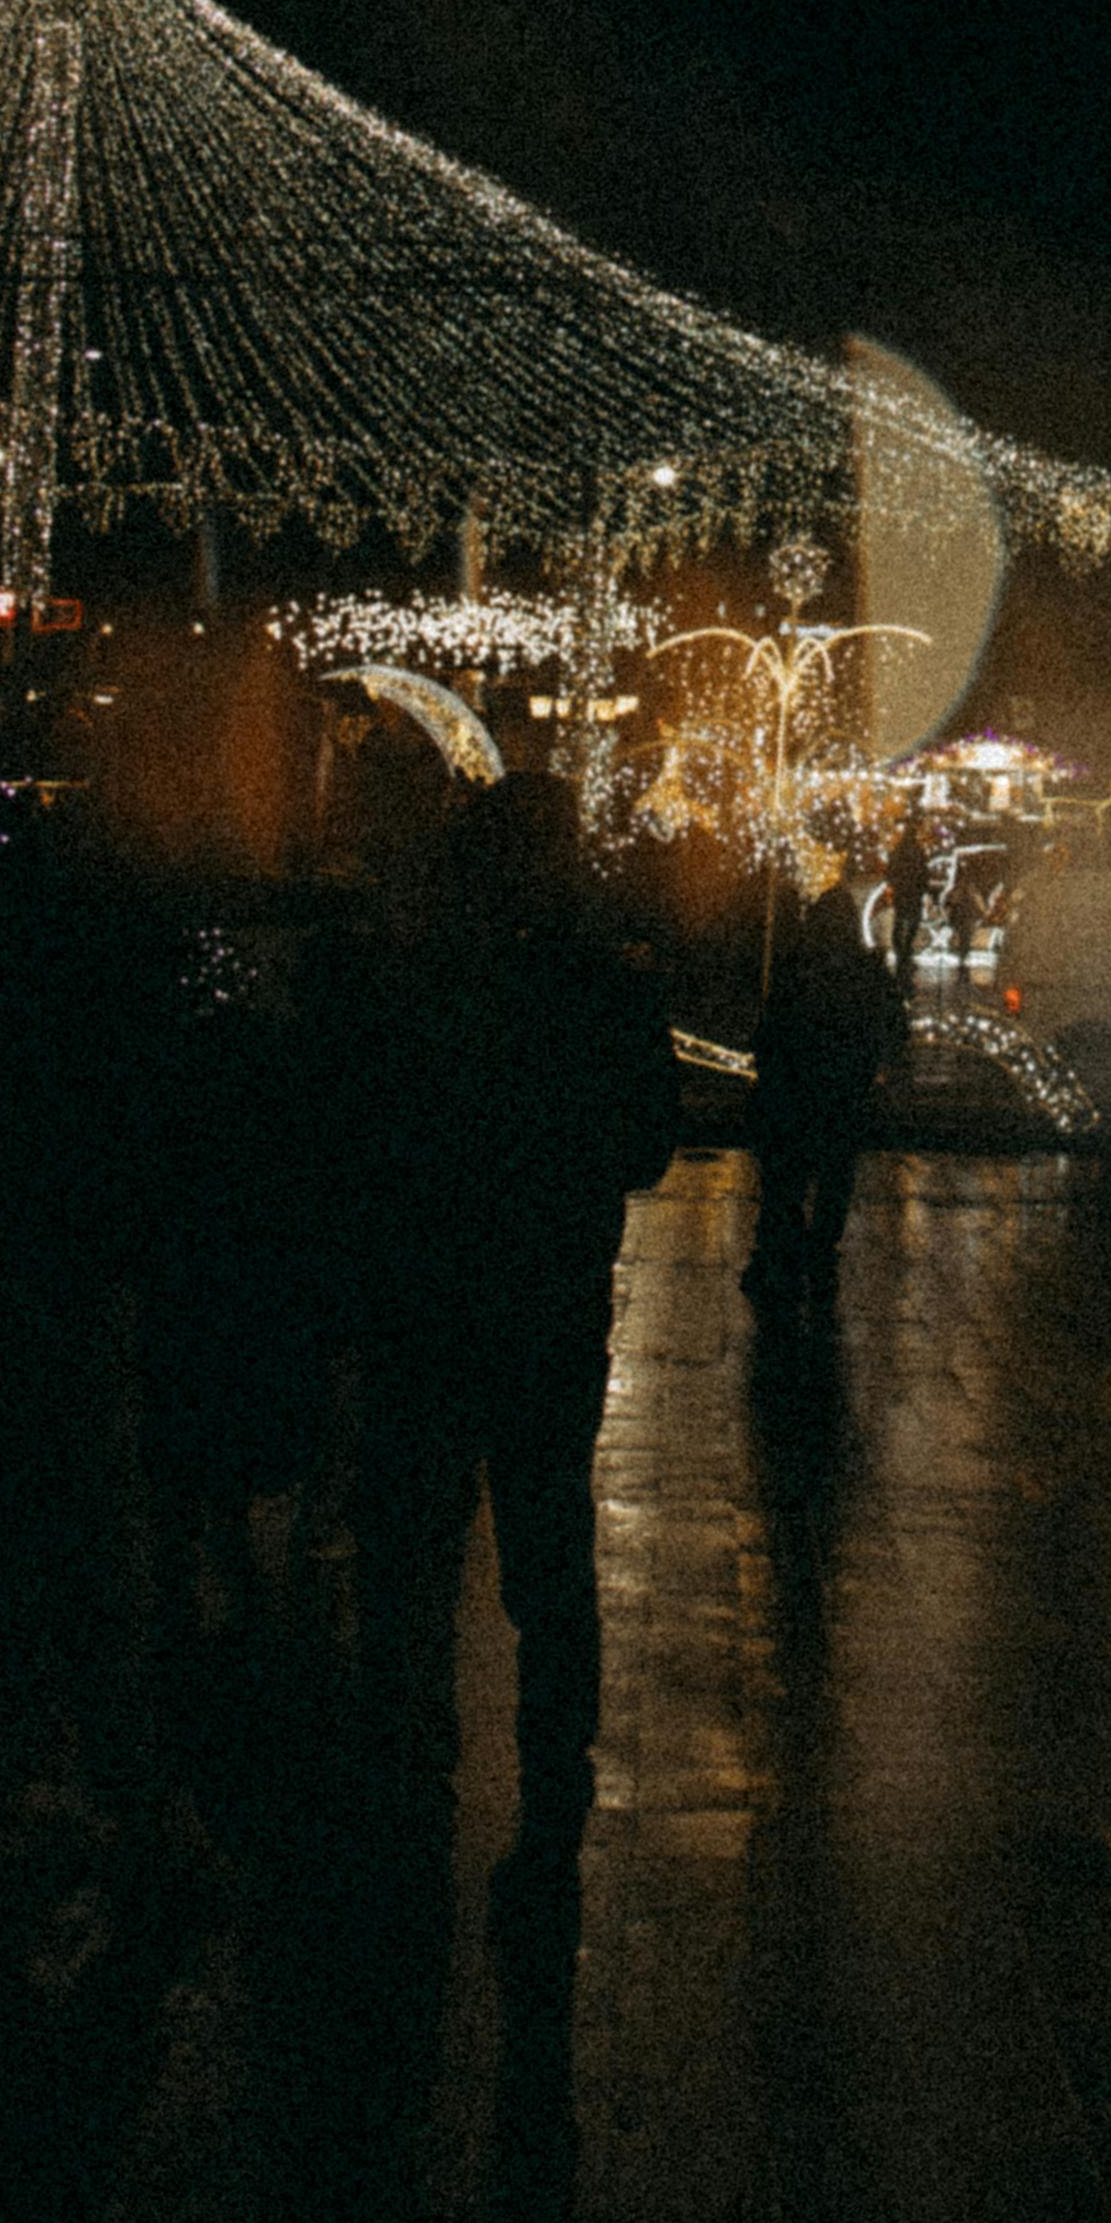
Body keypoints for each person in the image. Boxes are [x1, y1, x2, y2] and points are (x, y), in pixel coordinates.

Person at [350, 768, 675, 1849]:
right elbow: (647, 1147)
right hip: (548, 1297)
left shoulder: (418, 977)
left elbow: (367, 1136)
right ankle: (556, 1745)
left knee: (415, 1537)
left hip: (430, 1297)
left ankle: (407, 1741)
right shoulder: (606, 984)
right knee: (548, 1529)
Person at [745, 869, 892, 1325]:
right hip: (844, 1092)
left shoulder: (797, 968)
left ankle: (780, 1253)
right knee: (833, 1177)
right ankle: (820, 1253)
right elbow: (892, 1027)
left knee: (787, 1177)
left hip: (795, 1091)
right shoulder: (867, 972)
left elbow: (771, 1031)